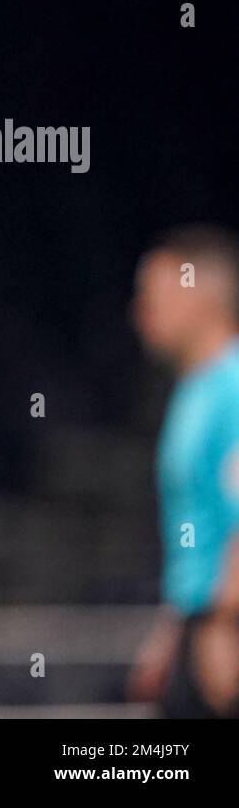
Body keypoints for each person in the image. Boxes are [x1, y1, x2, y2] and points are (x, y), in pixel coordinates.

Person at [128, 224, 239, 717]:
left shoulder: (233, 384)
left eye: (156, 294)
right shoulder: (195, 387)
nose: (142, 311)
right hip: (200, 620)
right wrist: (171, 635)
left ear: (205, 295)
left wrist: (225, 624)